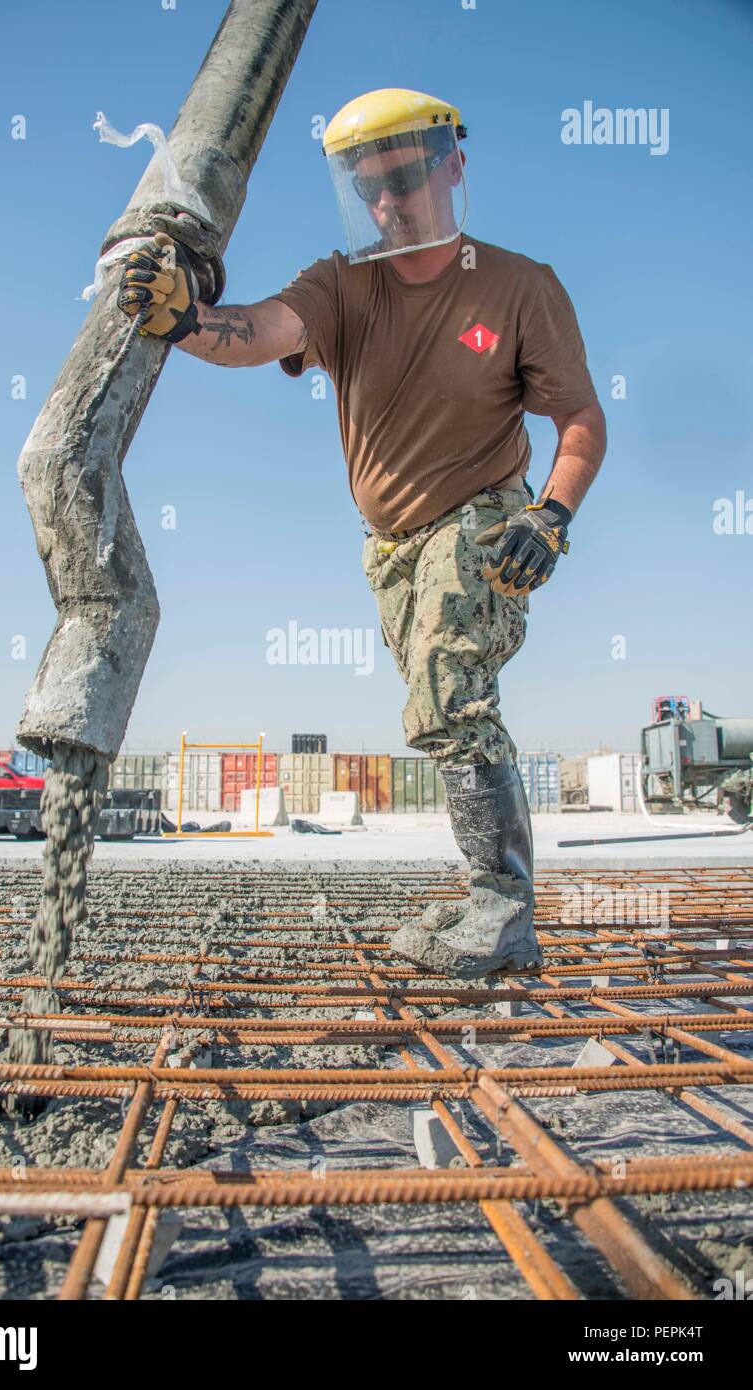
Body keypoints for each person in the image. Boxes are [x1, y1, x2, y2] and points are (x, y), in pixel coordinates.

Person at [116, 87, 606, 979]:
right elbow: (261, 330)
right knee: (435, 708)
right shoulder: (343, 283)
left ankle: (502, 915)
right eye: (370, 189)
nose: (388, 204)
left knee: (446, 690)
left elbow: (579, 418)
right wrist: (183, 317)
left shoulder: (519, 286)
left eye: (406, 179)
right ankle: (489, 900)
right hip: (391, 546)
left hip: (485, 514)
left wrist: (552, 514)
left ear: (452, 165)